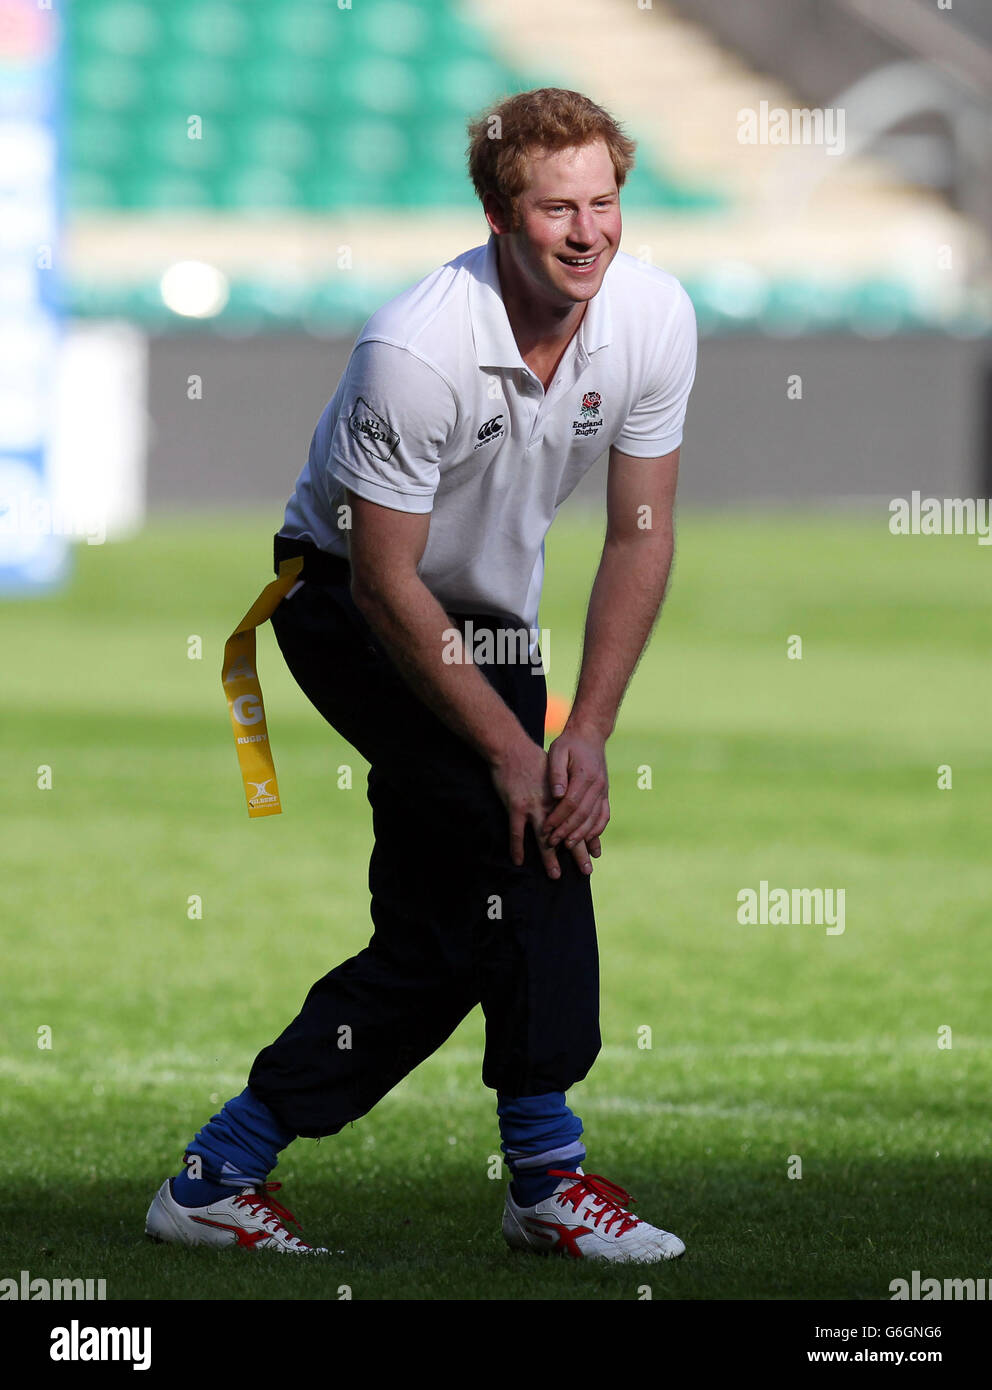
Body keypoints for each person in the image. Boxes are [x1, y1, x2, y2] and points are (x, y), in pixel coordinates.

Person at [145, 87, 697, 1262]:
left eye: (604, 202)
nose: (589, 231)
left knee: (456, 909)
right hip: (346, 599)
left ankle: (224, 1171)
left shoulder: (652, 317)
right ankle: (540, 1176)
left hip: (492, 622)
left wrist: (584, 728)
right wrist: (514, 751)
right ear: (500, 215)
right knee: (526, 840)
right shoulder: (415, 347)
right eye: (557, 208)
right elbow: (390, 582)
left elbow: (640, 532)